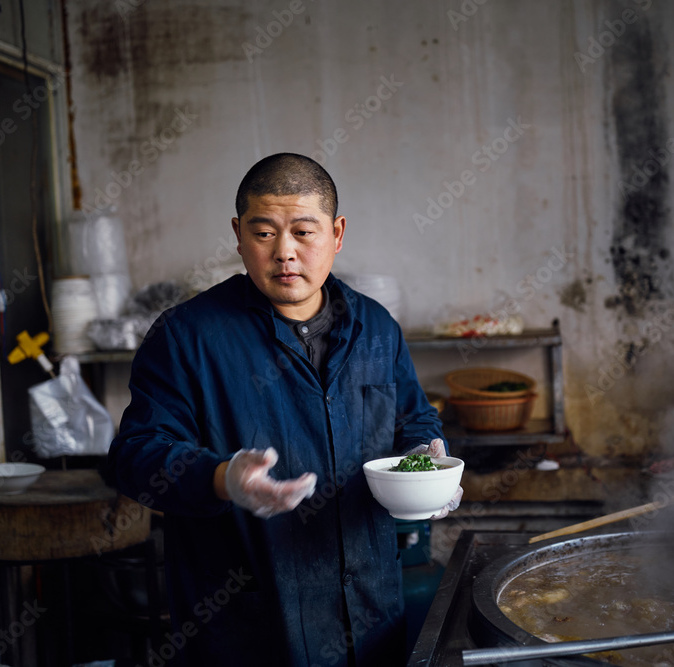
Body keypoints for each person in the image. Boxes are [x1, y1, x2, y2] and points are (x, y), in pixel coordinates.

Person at [107, 153, 461, 666]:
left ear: (337, 233)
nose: (285, 253)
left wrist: (427, 464)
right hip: (248, 628)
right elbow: (136, 456)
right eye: (264, 233)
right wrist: (222, 478)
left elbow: (414, 420)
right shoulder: (187, 336)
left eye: (303, 231)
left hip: (368, 616)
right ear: (238, 233)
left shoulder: (376, 328)